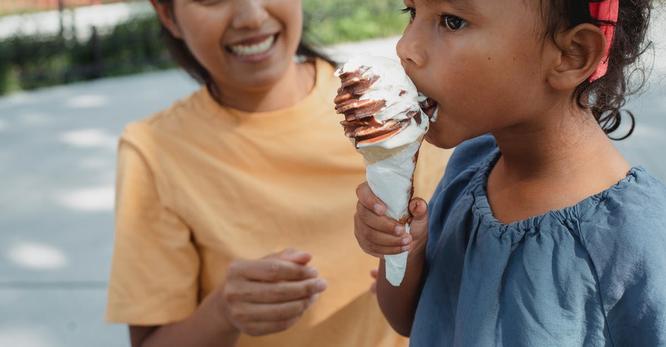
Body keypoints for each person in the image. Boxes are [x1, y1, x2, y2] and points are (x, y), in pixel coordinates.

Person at [105, 0, 449, 346]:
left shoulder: (399, 107)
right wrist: (223, 312)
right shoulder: (155, 151)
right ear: (167, 14)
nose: (252, 16)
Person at [353, 0, 666, 345]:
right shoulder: (469, 165)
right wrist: (404, 251)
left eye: (452, 22)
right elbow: (410, 319)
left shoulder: (635, 238)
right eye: (412, 12)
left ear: (572, 54)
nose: (405, 47)